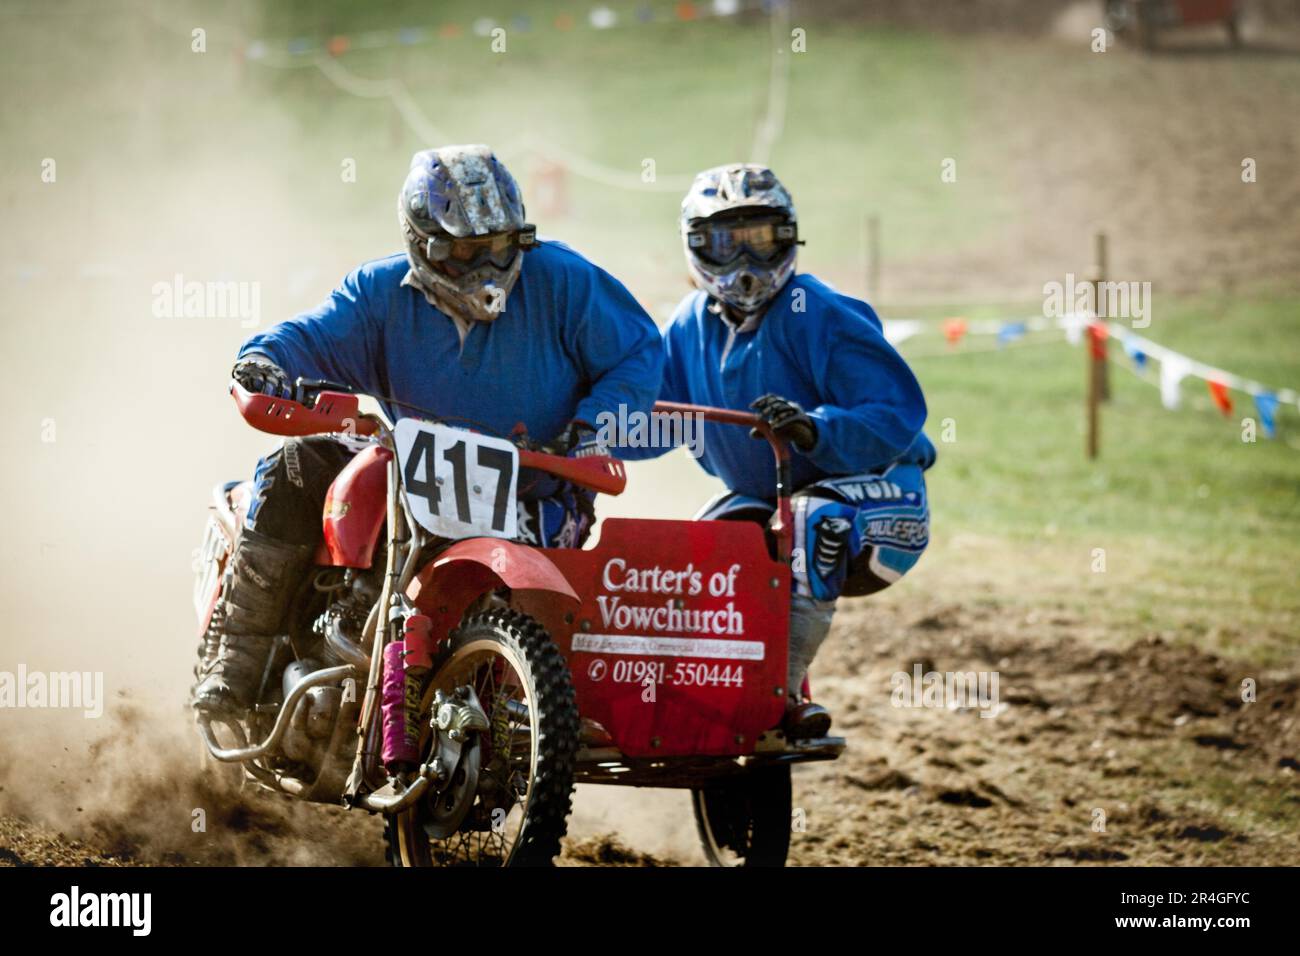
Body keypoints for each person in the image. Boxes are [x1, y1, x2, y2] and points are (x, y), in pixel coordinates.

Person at [193, 144, 663, 717]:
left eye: (497, 247)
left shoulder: (565, 279)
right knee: (295, 464)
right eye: (463, 251)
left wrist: (595, 430)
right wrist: (264, 362)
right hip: (410, 473)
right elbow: (309, 337)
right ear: (421, 245)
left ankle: (524, 711)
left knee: (549, 617)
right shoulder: (378, 293)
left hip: (539, 490)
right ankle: (237, 660)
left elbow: (637, 353)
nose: (484, 267)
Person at [635, 163, 936, 738]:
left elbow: (896, 413)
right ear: (698, 246)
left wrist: (814, 429)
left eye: (761, 240)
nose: (745, 264)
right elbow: (660, 421)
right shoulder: (687, 324)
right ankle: (706, 690)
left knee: (813, 523)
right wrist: (585, 432)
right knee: (692, 555)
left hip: (881, 496)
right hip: (771, 498)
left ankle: (786, 693)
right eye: (728, 243)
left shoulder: (820, 311)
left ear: (789, 236)